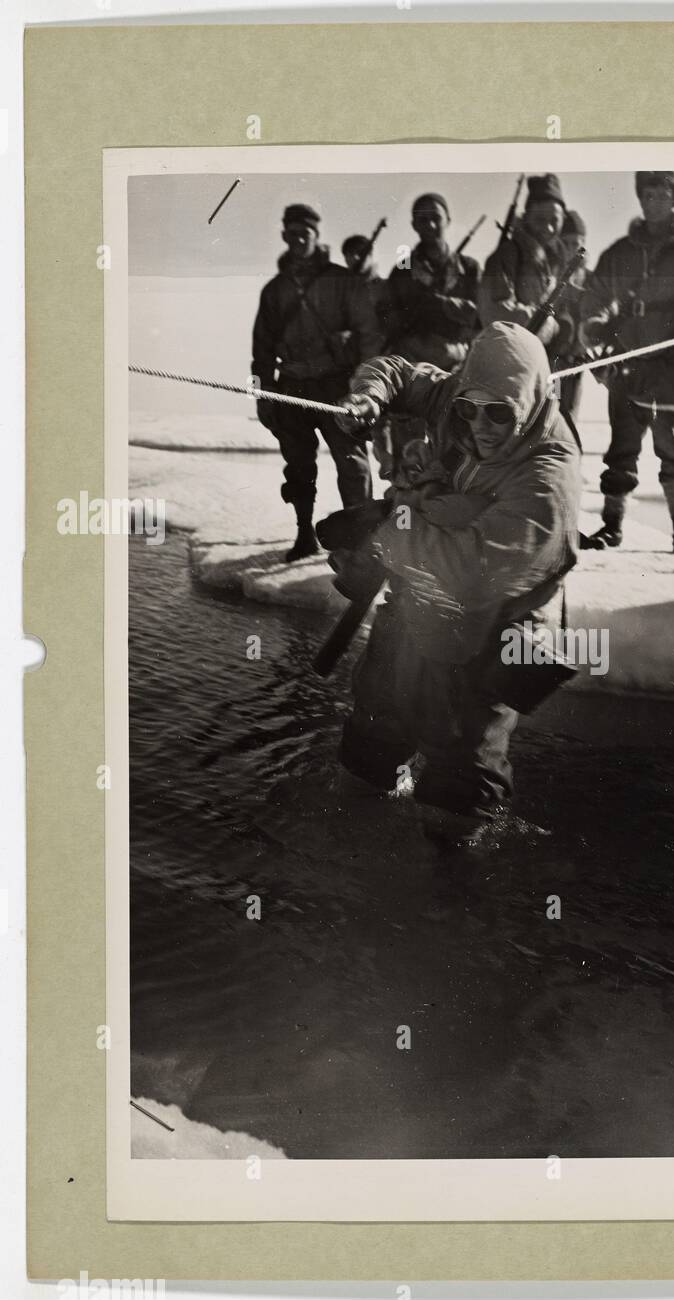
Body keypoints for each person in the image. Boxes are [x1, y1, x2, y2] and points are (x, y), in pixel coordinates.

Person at [330, 321, 582, 848]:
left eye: (499, 413)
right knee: (367, 753)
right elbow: (398, 371)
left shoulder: (548, 479)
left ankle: (459, 884)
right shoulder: (458, 399)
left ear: (530, 401)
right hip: (414, 606)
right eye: (469, 409)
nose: (480, 425)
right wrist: (369, 396)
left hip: (491, 631)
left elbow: (474, 575)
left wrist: (391, 530)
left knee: (458, 795)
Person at [579, 172, 674, 554]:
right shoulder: (620, 251)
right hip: (629, 354)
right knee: (622, 443)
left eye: (662, 194)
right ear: (640, 199)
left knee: (673, 444)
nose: (654, 202)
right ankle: (612, 526)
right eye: (648, 195)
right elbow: (595, 294)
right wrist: (594, 323)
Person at [251, 204, 380, 561]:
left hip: (337, 386)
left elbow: (369, 336)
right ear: (284, 235)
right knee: (298, 466)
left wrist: (365, 390)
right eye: (292, 233)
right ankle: (304, 534)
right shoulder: (274, 291)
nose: (298, 240)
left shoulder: (344, 281)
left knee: (352, 463)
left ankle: (361, 546)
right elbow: (261, 350)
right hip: (291, 387)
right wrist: (262, 395)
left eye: (304, 233)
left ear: (317, 235)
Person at [375, 193, 482, 475]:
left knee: (457, 456)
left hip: (457, 368)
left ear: (448, 220)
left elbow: (480, 314)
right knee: (410, 456)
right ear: (414, 225)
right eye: (423, 220)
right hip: (413, 368)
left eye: (436, 218)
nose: (430, 225)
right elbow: (387, 315)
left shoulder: (469, 268)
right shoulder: (403, 268)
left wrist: (442, 305)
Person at [479, 174, 578, 376]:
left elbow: (564, 308)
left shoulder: (557, 262)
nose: (548, 228)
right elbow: (494, 312)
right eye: (540, 220)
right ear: (526, 218)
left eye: (554, 221)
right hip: (505, 363)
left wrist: (566, 327)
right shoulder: (507, 254)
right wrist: (549, 325)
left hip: (538, 364)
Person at [551, 209, 590, 424]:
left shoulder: (590, 279)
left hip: (576, 364)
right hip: (553, 363)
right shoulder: (550, 274)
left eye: (577, 243)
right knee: (549, 415)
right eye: (567, 243)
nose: (572, 248)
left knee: (569, 420)